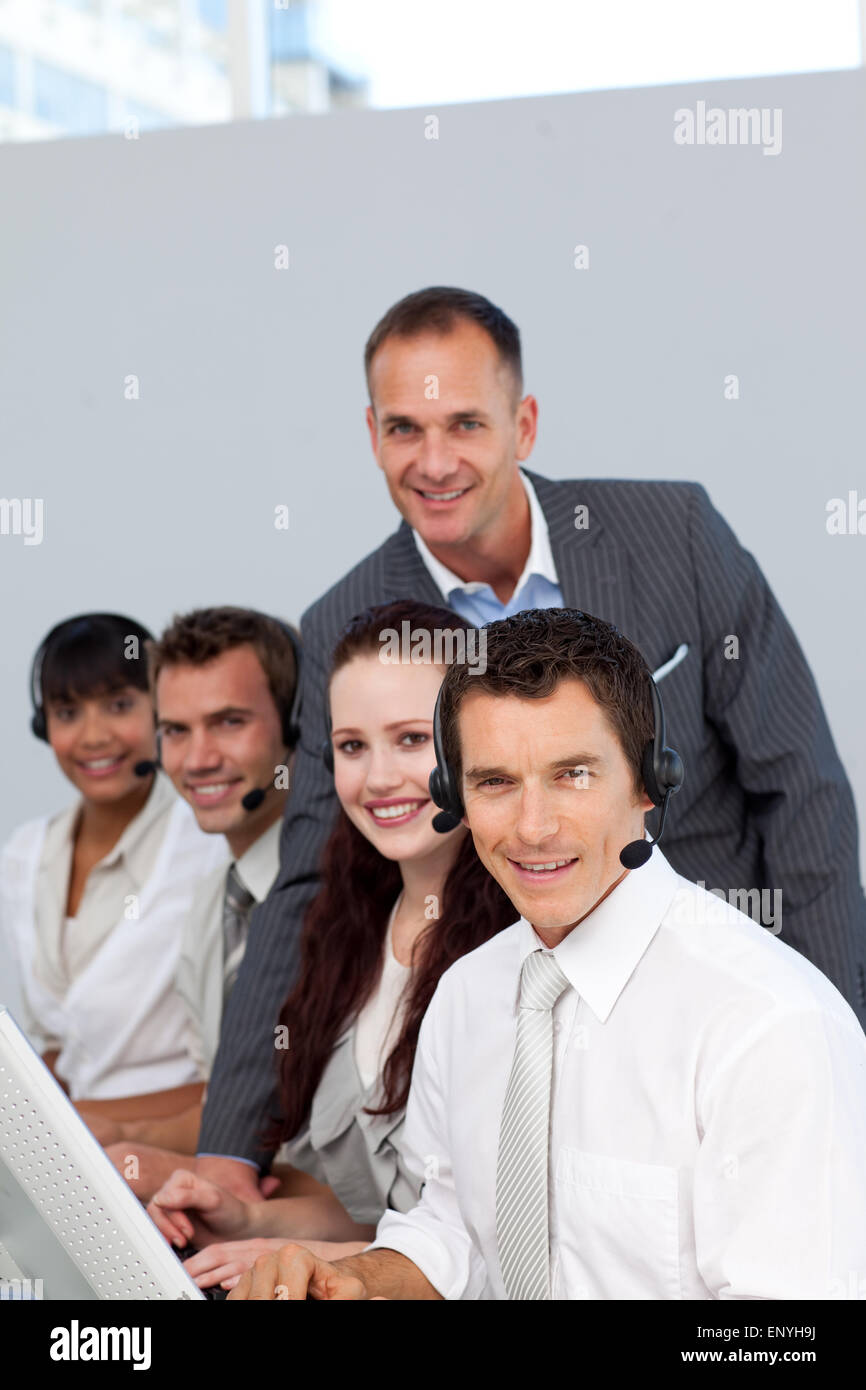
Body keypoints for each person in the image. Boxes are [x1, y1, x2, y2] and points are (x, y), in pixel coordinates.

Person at [196, 285, 866, 1204]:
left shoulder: (677, 538)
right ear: (370, 432)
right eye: (403, 429)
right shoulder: (345, 623)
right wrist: (229, 1151)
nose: (434, 462)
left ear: (526, 423)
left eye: (465, 423)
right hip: (500, 1038)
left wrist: (835, 1035)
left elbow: (803, 793)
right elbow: (307, 878)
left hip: (712, 1008)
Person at [227, 608, 866, 1301]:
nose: (533, 828)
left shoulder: (768, 1026)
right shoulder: (470, 994)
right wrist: (351, 1277)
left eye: (573, 775)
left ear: (651, 783)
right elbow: (450, 1230)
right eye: (496, 782)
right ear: (455, 799)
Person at [146, 601, 516, 1291]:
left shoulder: (525, 941)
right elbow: (374, 1211)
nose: (377, 778)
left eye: (410, 739)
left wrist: (305, 1256)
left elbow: (496, 1241)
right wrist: (248, 1222)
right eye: (352, 746)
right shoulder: (341, 928)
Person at [99, 607, 304, 1198]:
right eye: (176, 730)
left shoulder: (347, 893)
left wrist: (164, 1168)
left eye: (229, 722)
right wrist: (119, 1133)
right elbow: (228, 1102)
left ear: (298, 725)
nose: (198, 759)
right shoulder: (214, 901)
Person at [0, 612, 227, 1140]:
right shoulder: (25, 854)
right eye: (67, 712)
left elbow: (242, 1082)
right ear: (44, 727)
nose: (93, 736)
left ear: (160, 714)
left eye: (119, 705)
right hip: (71, 1156)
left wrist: (90, 1125)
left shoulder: (208, 846)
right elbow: (58, 1050)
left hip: (180, 1154)